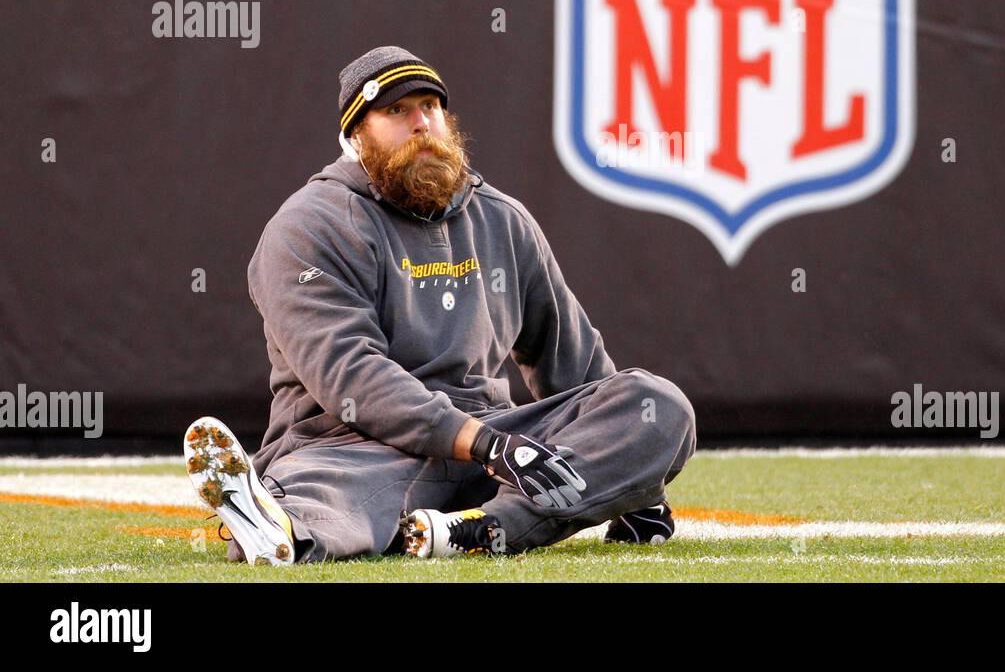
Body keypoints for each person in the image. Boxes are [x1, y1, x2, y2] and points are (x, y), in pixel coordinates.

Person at [183, 45, 695, 564]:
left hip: (494, 460)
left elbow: (577, 369)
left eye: (430, 106)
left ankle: (480, 530)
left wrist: (634, 483)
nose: (421, 123)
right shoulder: (307, 227)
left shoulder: (503, 220)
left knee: (656, 405)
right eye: (396, 111)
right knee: (332, 496)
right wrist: (483, 442)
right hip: (358, 445)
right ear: (355, 135)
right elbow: (350, 375)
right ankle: (279, 524)